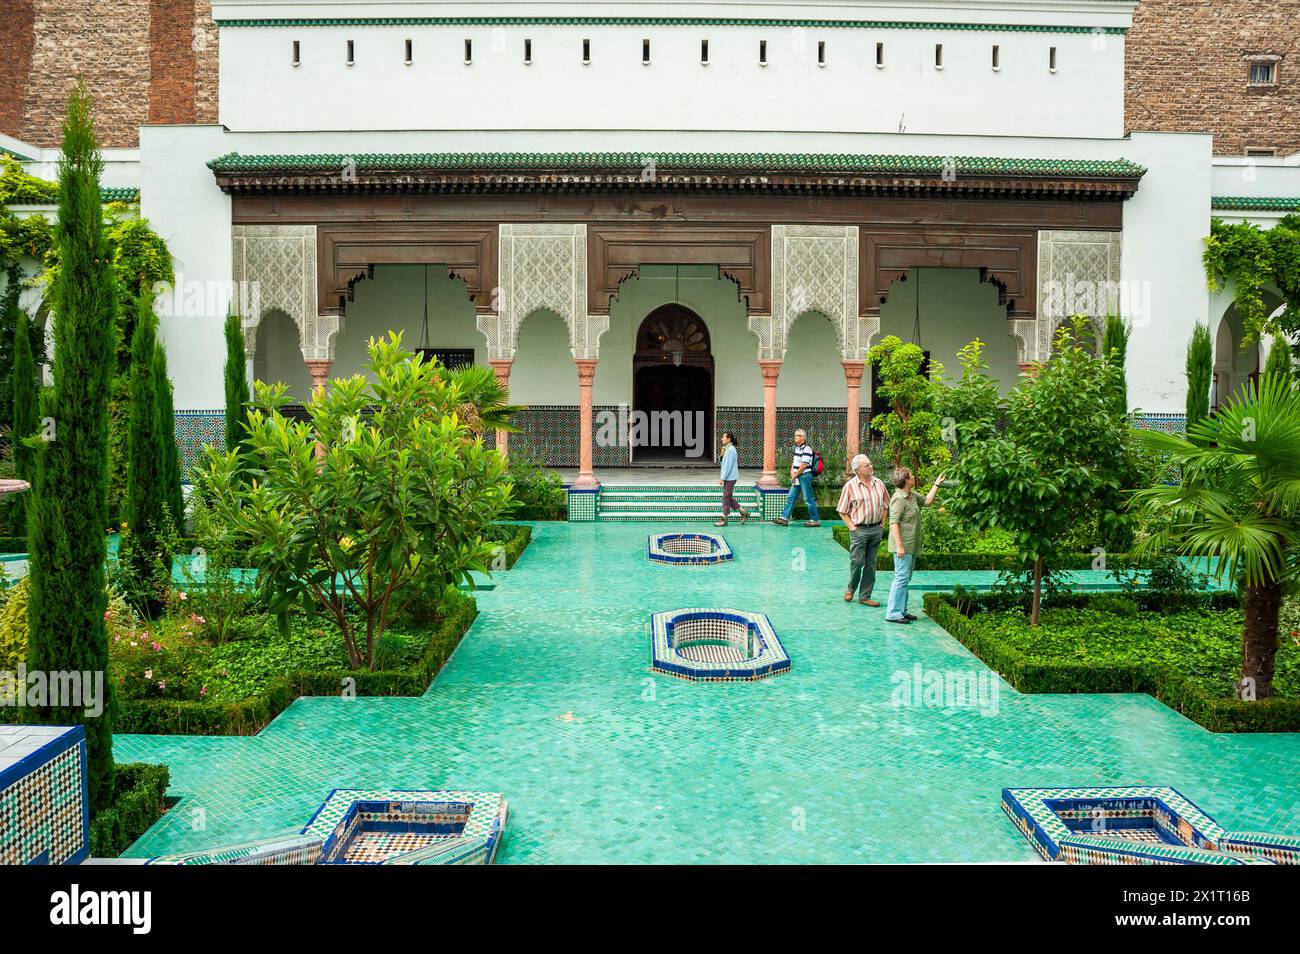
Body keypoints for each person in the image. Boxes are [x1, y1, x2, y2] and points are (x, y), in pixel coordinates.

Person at [884, 466, 945, 625]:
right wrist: (900, 546)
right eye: (911, 476)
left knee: (905, 578)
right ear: (905, 480)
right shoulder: (899, 498)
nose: (914, 478)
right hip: (903, 545)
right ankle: (893, 613)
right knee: (901, 578)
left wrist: (937, 484)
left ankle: (901, 610)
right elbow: (893, 523)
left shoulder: (910, 495)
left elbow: (927, 501)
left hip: (911, 544)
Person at [836, 454, 889, 606]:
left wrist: (883, 521)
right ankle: (851, 588)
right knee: (857, 562)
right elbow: (842, 511)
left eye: (870, 464)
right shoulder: (850, 486)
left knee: (871, 564)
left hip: (875, 529)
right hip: (859, 530)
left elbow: (886, 504)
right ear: (858, 470)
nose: (871, 467)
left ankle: (865, 596)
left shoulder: (879, 483)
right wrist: (852, 528)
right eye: (867, 465)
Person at [772, 429, 820, 527]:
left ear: (803, 438)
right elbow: (794, 462)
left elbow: (804, 465)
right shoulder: (797, 448)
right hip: (797, 476)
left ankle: (815, 520)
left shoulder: (807, 449)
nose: (795, 437)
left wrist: (796, 474)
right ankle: (784, 518)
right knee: (791, 497)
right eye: (795, 435)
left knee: (808, 498)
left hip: (804, 476)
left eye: (798, 435)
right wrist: (792, 472)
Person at [715, 431, 749, 527]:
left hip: (730, 477)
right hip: (729, 477)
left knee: (726, 497)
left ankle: (724, 519)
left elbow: (728, 466)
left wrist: (723, 478)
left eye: (723, 437)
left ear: (728, 438)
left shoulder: (731, 450)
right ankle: (744, 512)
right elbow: (723, 463)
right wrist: (721, 455)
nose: (722, 439)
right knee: (728, 497)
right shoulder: (727, 449)